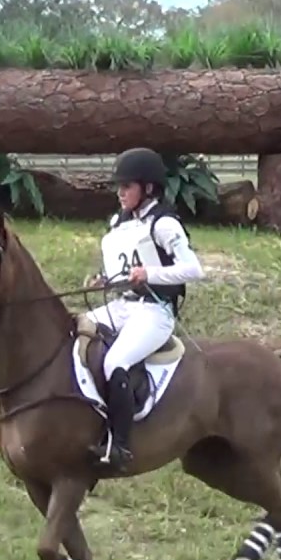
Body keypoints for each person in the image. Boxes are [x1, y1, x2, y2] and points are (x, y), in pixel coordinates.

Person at [83, 147, 206, 469]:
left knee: (116, 362)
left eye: (127, 186)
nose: (120, 193)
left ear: (148, 188)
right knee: (75, 330)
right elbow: (123, 269)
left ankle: (119, 445)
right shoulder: (119, 222)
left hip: (155, 311)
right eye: (119, 187)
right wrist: (103, 280)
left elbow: (194, 270)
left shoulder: (164, 225)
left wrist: (151, 274)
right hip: (123, 304)